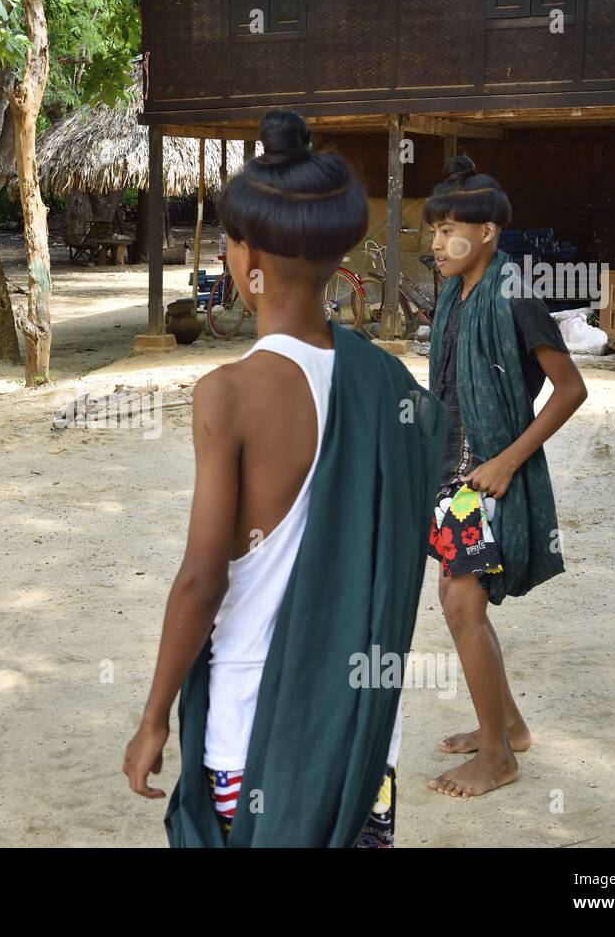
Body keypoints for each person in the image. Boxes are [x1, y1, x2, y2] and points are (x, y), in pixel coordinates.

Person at [123, 109, 446, 847]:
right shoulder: (388, 383)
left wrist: (151, 720)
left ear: (246, 255)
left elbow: (201, 582)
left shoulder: (228, 394)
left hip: (252, 733)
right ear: (338, 255)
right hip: (366, 742)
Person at [423, 155, 587, 798]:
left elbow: (570, 389)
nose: (436, 243)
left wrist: (507, 460)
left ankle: (497, 756)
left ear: (487, 233)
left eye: (449, 231)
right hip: (453, 471)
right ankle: (508, 726)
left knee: (462, 605)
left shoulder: (514, 292)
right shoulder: (456, 292)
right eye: (432, 231)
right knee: (458, 604)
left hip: (484, 476)